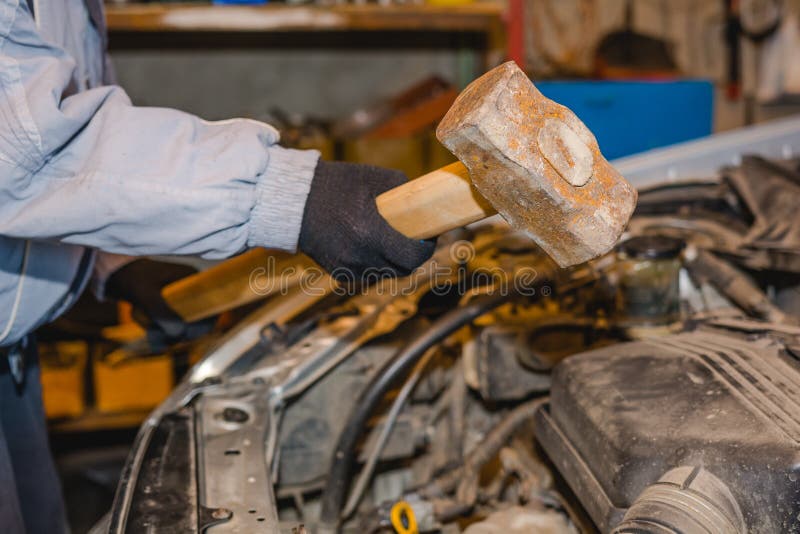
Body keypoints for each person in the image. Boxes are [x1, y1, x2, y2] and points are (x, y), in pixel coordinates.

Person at [0, 0, 435, 532]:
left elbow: (69, 125)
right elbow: (20, 150)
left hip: (15, 357)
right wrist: (291, 194)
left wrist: (112, 266)